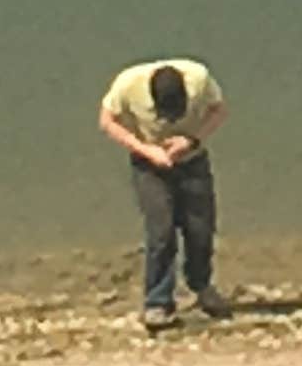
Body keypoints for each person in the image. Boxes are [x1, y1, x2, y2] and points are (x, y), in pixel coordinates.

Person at [97, 58, 232, 332]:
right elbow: (107, 121)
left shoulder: (199, 78)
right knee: (161, 231)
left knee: (200, 229)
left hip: (192, 161)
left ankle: (201, 284)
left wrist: (191, 140)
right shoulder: (127, 84)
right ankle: (157, 301)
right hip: (149, 165)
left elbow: (219, 111)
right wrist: (146, 150)